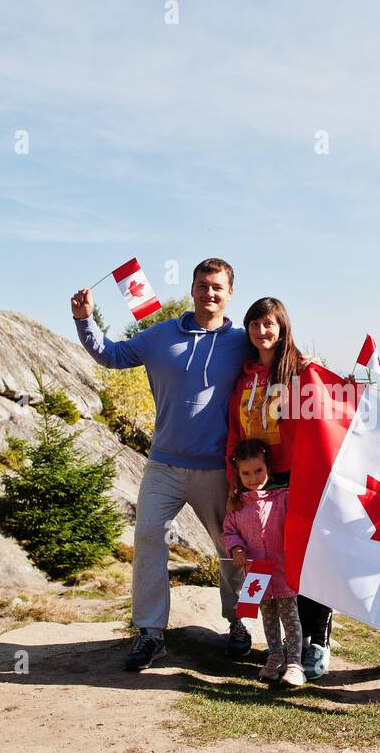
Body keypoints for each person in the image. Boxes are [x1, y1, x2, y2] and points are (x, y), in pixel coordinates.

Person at [71, 259, 253, 671]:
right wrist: (85, 322)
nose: (210, 293)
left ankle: (239, 622)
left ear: (229, 293)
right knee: (149, 541)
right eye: (203, 285)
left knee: (231, 550)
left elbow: (284, 364)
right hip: (164, 466)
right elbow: (112, 356)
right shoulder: (160, 335)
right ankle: (151, 633)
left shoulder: (242, 342)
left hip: (218, 470)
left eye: (218, 287)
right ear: (192, 288)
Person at [225, 297, 335, 679]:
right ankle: (279, 650)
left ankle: (314, 642)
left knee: (306, 562)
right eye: (254, 324)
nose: (262, 331)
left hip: (295, 481)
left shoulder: (300, 372)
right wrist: (234, 483)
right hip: (255, 485)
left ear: (282, 327)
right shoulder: (243, 379)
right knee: (266, 562)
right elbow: (234, 435)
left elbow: (332, 406)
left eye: (269, 324)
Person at [222, 439, 305, 688]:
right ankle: (275, 656)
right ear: (237, 473)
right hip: (256, 573)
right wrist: (236, 548)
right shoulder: (237, 504)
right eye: (246, 473)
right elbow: (229, 532)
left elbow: (297, 525)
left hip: (283, 570)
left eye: (258, 470)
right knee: (268, 617)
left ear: (268, 466)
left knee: (290, 617)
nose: (253, 477)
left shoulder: (282, 497)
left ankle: (294, 663)